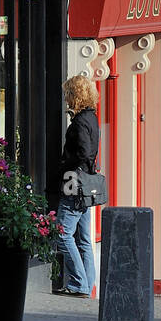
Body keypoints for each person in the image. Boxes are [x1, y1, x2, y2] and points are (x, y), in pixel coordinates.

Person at [56, 74, 99, 297]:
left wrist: (64, 164)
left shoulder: (81, 122)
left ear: (75, 95)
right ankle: (87, 284)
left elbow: (83, 152)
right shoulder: (92, 118)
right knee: (83, 239)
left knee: (62, 234)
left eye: (67, 94)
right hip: (86, 184)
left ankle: (79, 283)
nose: (65, 98)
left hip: (74, 183)